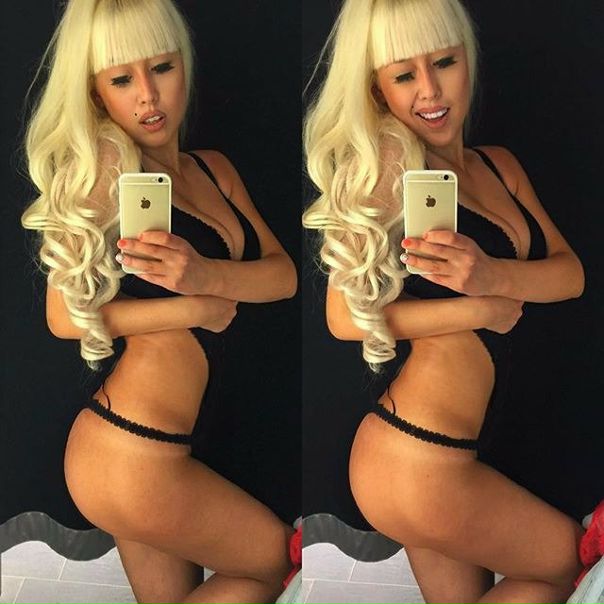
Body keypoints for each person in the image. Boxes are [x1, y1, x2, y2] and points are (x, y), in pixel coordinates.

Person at [303, 0, 586, 602]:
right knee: (567, 566)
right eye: (404, 74)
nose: (430, 91)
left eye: (445, 63)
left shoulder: (499, 166)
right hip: (416, 459)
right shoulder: (387, 170)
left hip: (438, 455)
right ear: (377, 88)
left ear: (468, 59)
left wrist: (492, 277)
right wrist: (479, 309)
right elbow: (343, 317)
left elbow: (570, 275)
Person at [21, 0, 297, 602]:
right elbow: (64, 316)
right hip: (129, 454)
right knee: (278, 562)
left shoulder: (214, 170)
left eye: (162, 68)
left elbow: (282, 277)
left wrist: (206, 276)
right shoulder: (99, 177)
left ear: (184, 66)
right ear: (96, 94)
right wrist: (193, 308)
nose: (149, 95)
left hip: (157, 448)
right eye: (122, 79)